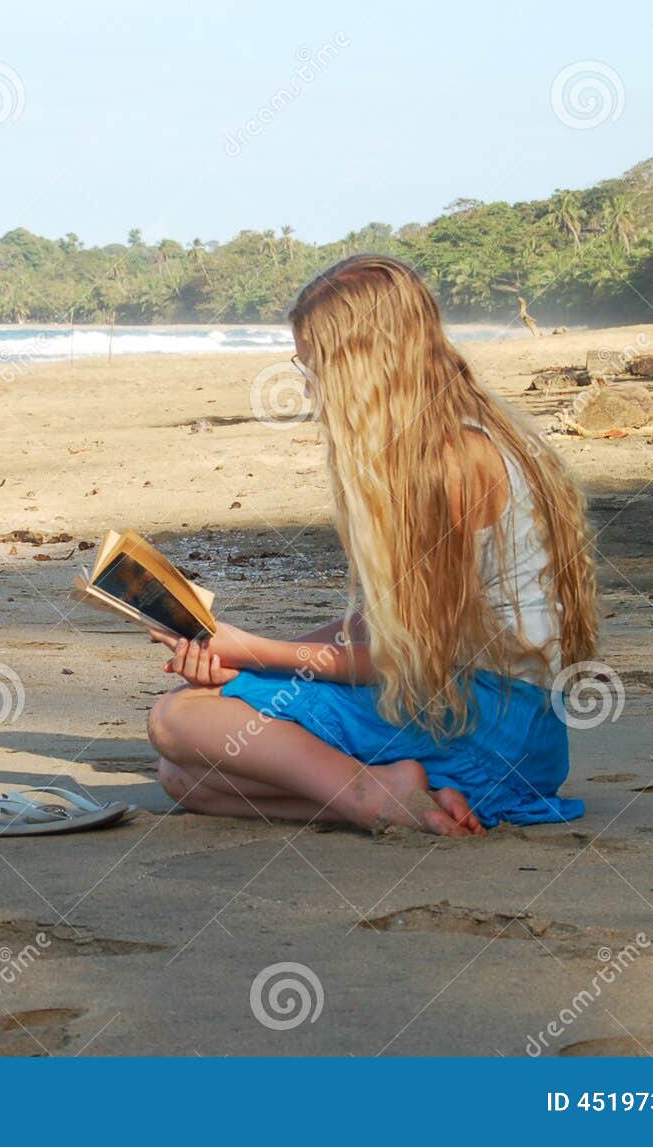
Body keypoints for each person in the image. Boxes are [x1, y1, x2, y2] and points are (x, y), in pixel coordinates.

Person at [146, 255, 598, 837]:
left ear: (362, 365)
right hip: (498, 723)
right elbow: (375, 631)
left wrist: (252, 652)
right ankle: (419, 799)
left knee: (178, 718)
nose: (308, 384)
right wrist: (234, 652)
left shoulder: (449, 465)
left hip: (493, 723)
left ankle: (374, 798)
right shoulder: (444, 443)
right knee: (186, 780)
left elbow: (402, 659)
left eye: (314, 365)